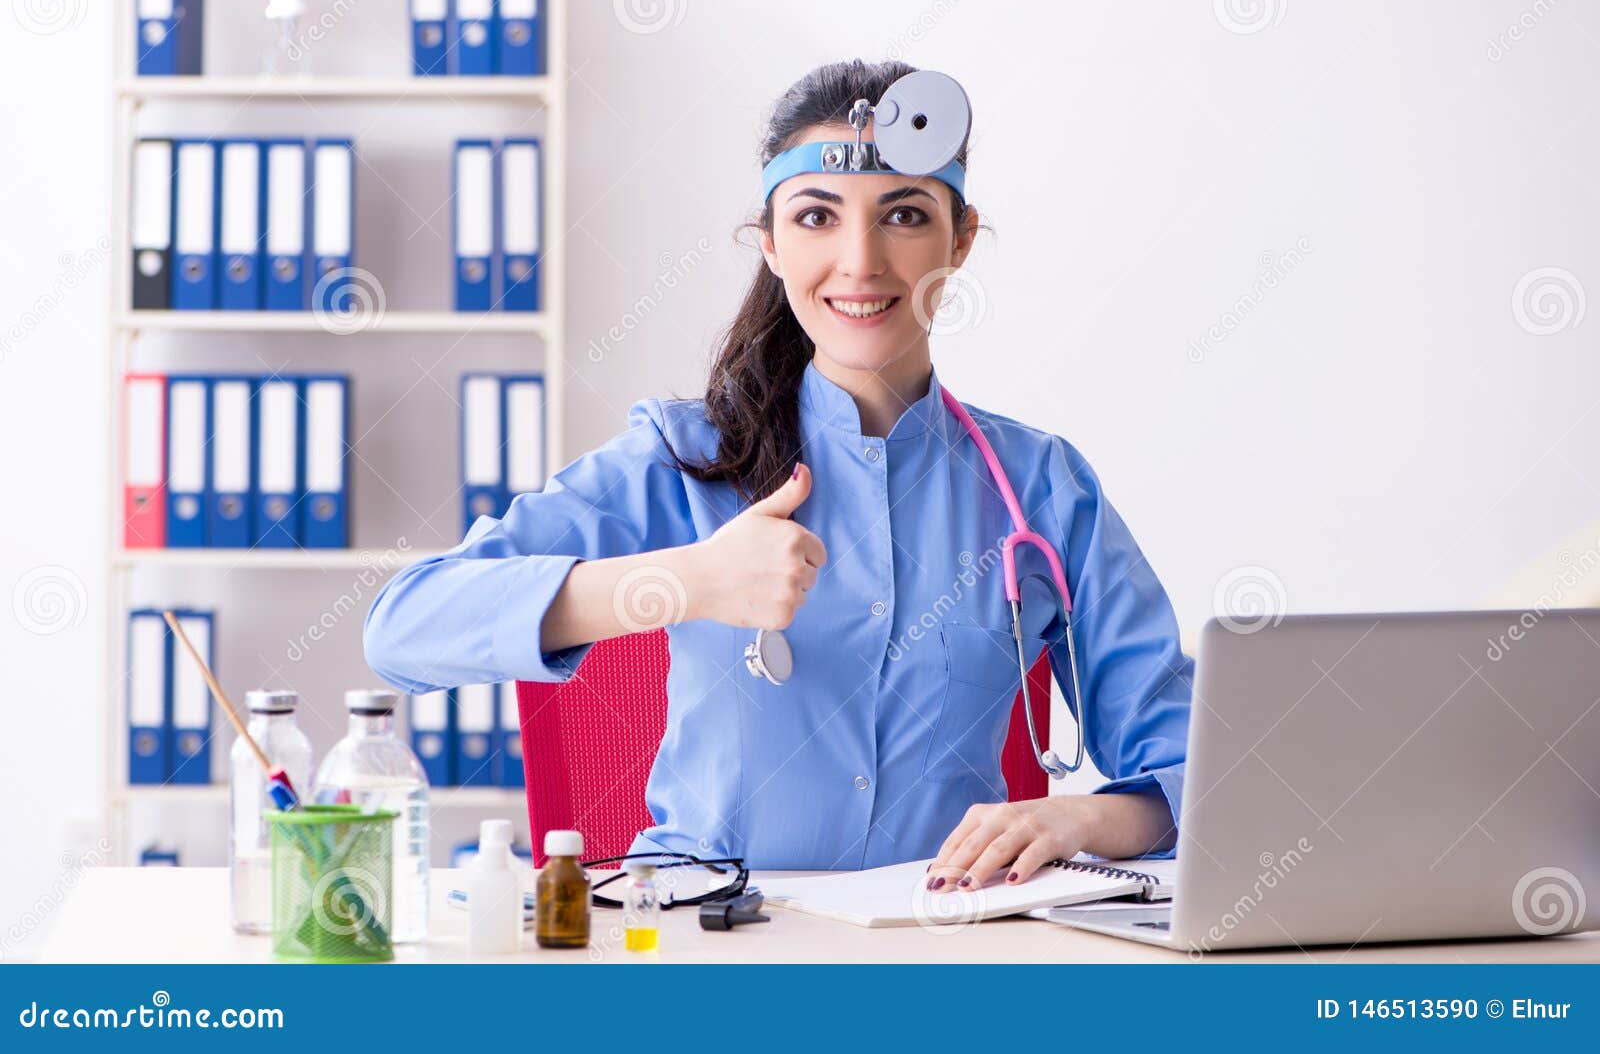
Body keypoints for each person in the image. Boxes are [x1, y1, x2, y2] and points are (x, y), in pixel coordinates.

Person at [364, 58, 1191, 889]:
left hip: (943, 943)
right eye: (816, 217)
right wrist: (682, 580)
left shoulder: (1038, 487)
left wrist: (1082, 816)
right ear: (770, 243)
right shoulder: (683, 457)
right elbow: (403, 629)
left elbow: (1196, 771)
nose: (860, 262)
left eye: (904, 214)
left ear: (960, 239)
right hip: (707, 943)